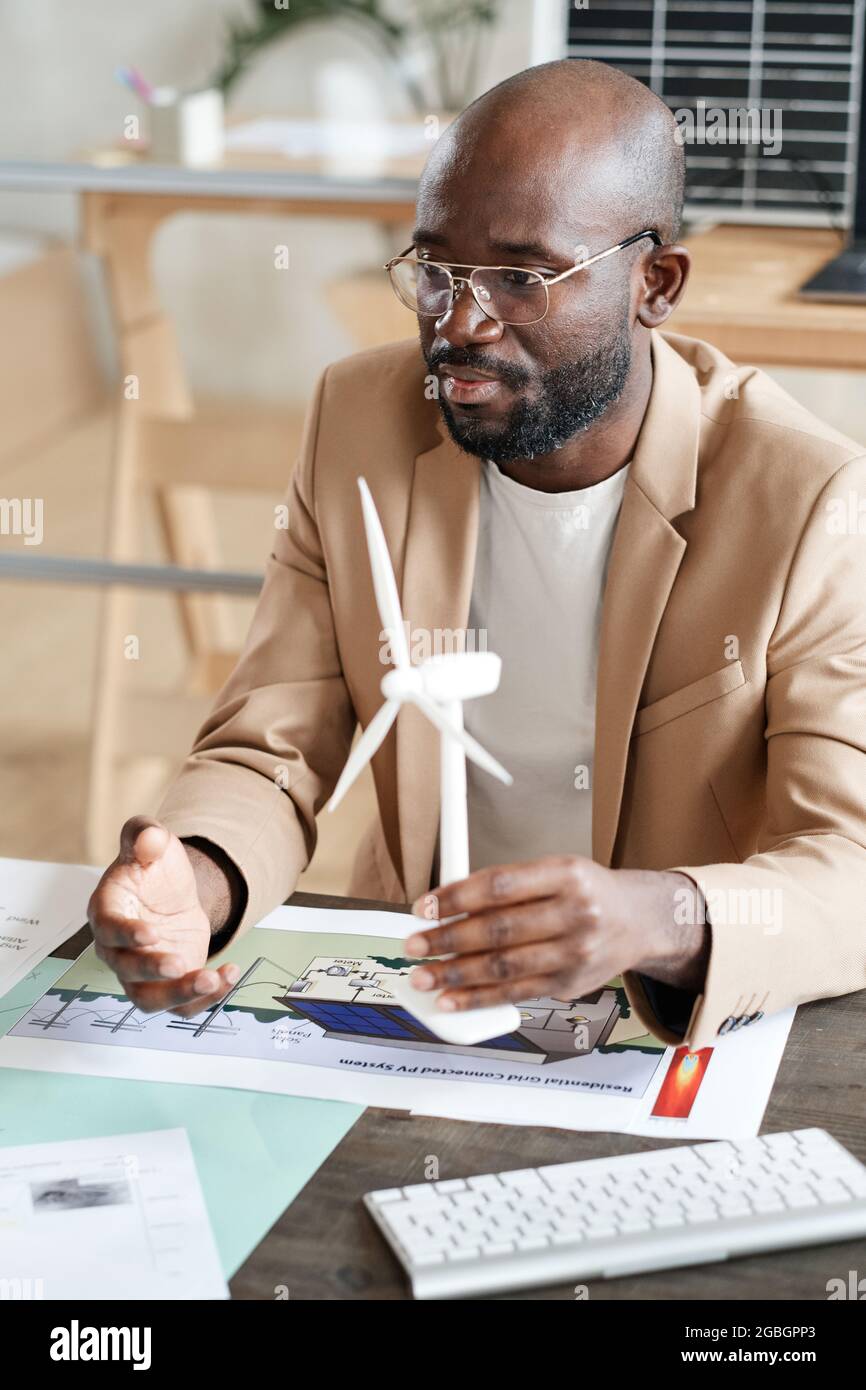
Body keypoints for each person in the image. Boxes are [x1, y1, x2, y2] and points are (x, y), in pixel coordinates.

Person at [87, 60, 866, 1048]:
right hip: (419, 991)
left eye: (521, 278)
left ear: (653, 284)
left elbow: (848, 864)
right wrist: (193, 881)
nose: (458, 323)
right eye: (435, 269)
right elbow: (271, 744)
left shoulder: (804, 500)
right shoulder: (356, 420)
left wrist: (650, 916)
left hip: (665, 1024)